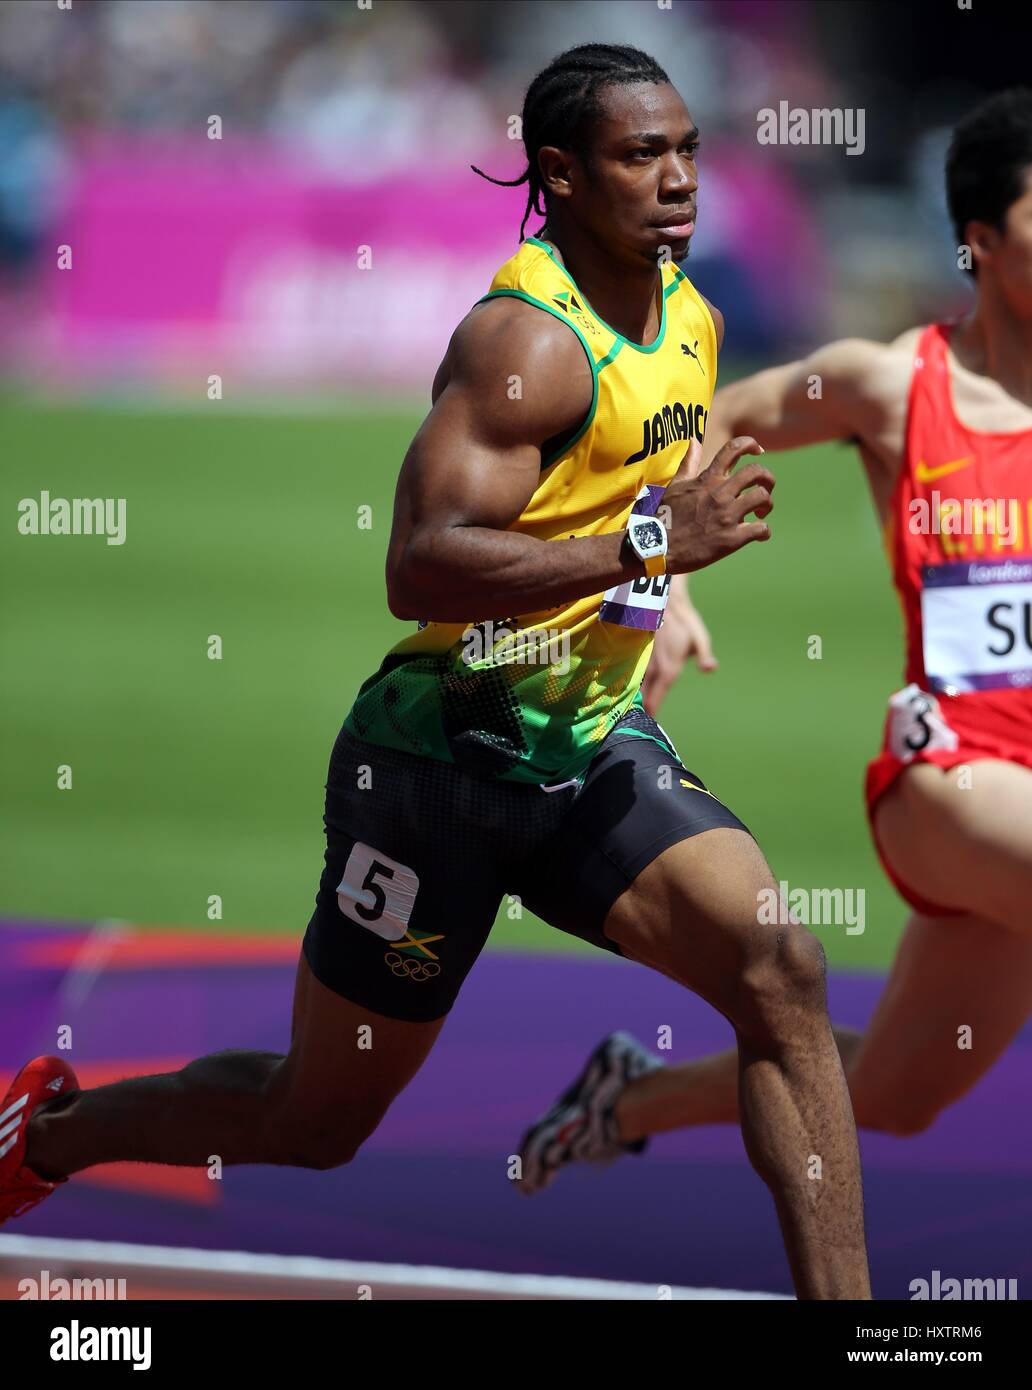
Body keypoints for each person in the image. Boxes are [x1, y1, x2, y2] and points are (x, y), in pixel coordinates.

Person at [1, 44, 870, 1300]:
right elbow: (421, 566)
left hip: (587, 752)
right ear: (562, 175)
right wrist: (647, 543)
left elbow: (632, 499)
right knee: (316, 1122)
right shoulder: (526, 343)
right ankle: (50, 1134)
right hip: (435, 764)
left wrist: (660, 587)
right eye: (643, 154)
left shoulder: (690, 314)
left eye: (686, 148)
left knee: (780, 972)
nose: (679, 178)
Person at [517, 87, 1032, 1190]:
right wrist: (666, 576)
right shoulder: (893, 385)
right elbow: (706, 411)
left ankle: (630, 1096)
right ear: (981, 241)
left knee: (895, 1094)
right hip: (955, 773)